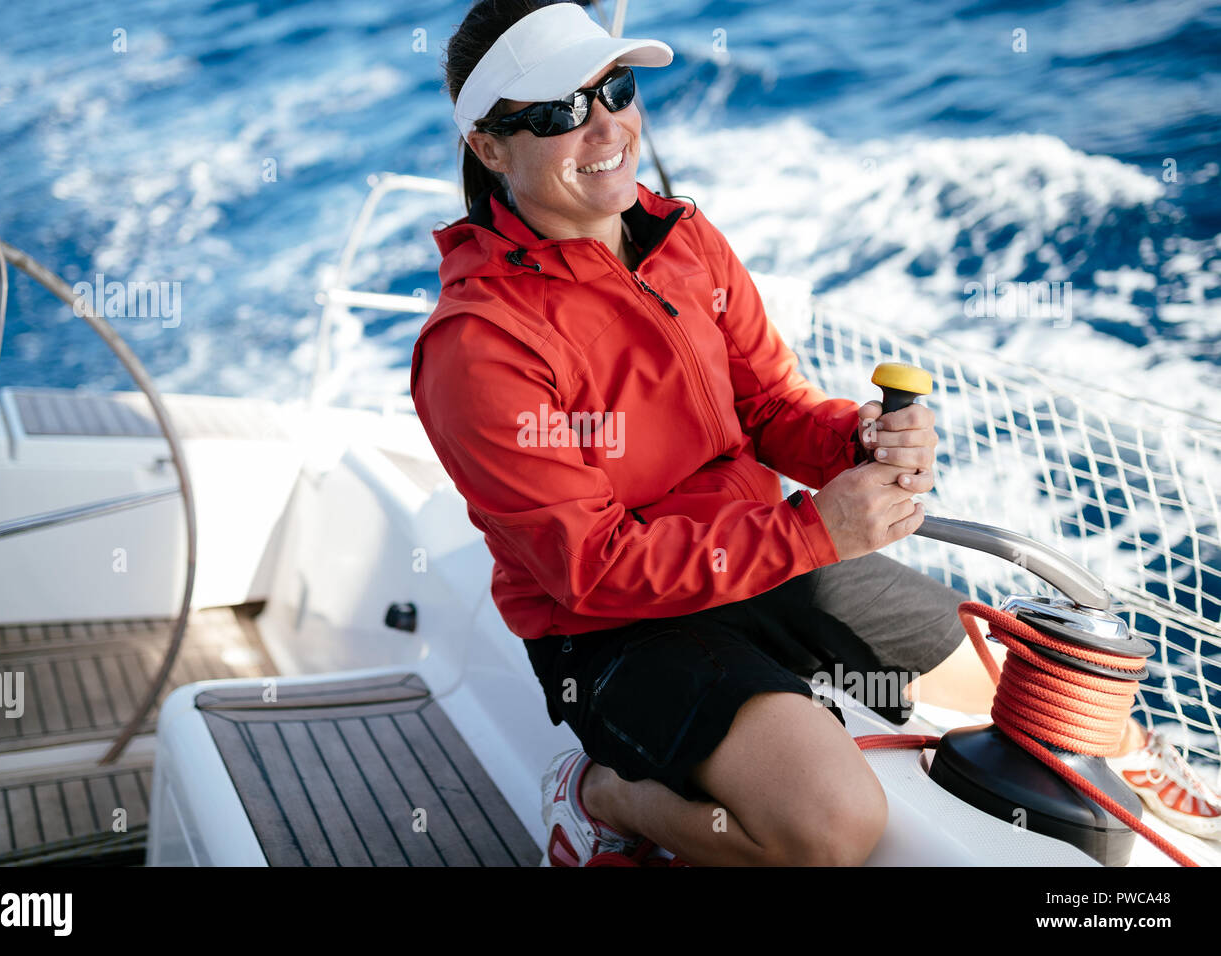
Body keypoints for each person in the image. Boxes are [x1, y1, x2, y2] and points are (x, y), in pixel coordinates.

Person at [411, 0, 1220, 865]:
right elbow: (591, 567)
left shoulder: (684, 239)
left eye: (615, 87)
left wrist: (859, 445)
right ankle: (600, 792)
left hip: (766, 562)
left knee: (1017, 682)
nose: (605, 125)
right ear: (490, 149)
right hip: (611, 630)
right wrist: (815, 530)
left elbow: (769, 410)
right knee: (830, 832)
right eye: (559, 112)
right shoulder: (478, 346)